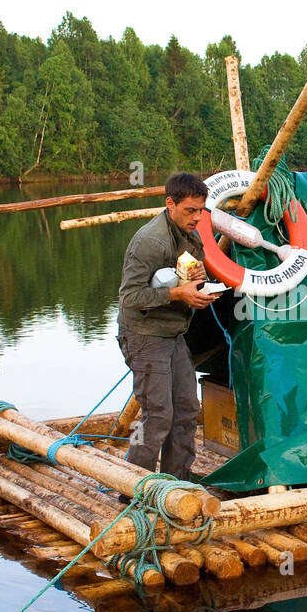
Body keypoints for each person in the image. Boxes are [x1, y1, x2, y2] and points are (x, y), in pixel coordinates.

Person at [116, 172, 217, 486]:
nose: (197, 217)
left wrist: (198, 277)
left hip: (172, 334)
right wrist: (179, 294)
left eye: (201, 210)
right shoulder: (149, 241)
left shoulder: (190, 234)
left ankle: (176, 484)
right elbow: (130, 296)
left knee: (186, 410)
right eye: (190, 210)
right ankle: (131, 487)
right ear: (169, 203)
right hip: (144, 336)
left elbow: (188, 275)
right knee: (157, 416)